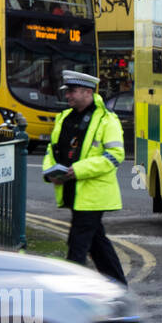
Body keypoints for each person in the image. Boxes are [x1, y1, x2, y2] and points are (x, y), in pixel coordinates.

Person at [43, 70, 127, 283]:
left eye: (72, 91)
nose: (67, 95)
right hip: (73, 192)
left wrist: (77, 170)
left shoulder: (107, 120)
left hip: (92, 196)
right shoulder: (64, 118)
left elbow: (115, 156)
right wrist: (49, 172)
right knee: (98, 245)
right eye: (67, 91)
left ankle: (72, 292)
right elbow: (51, 151)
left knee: (77, 246)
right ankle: (118, 287)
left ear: (87, 92)